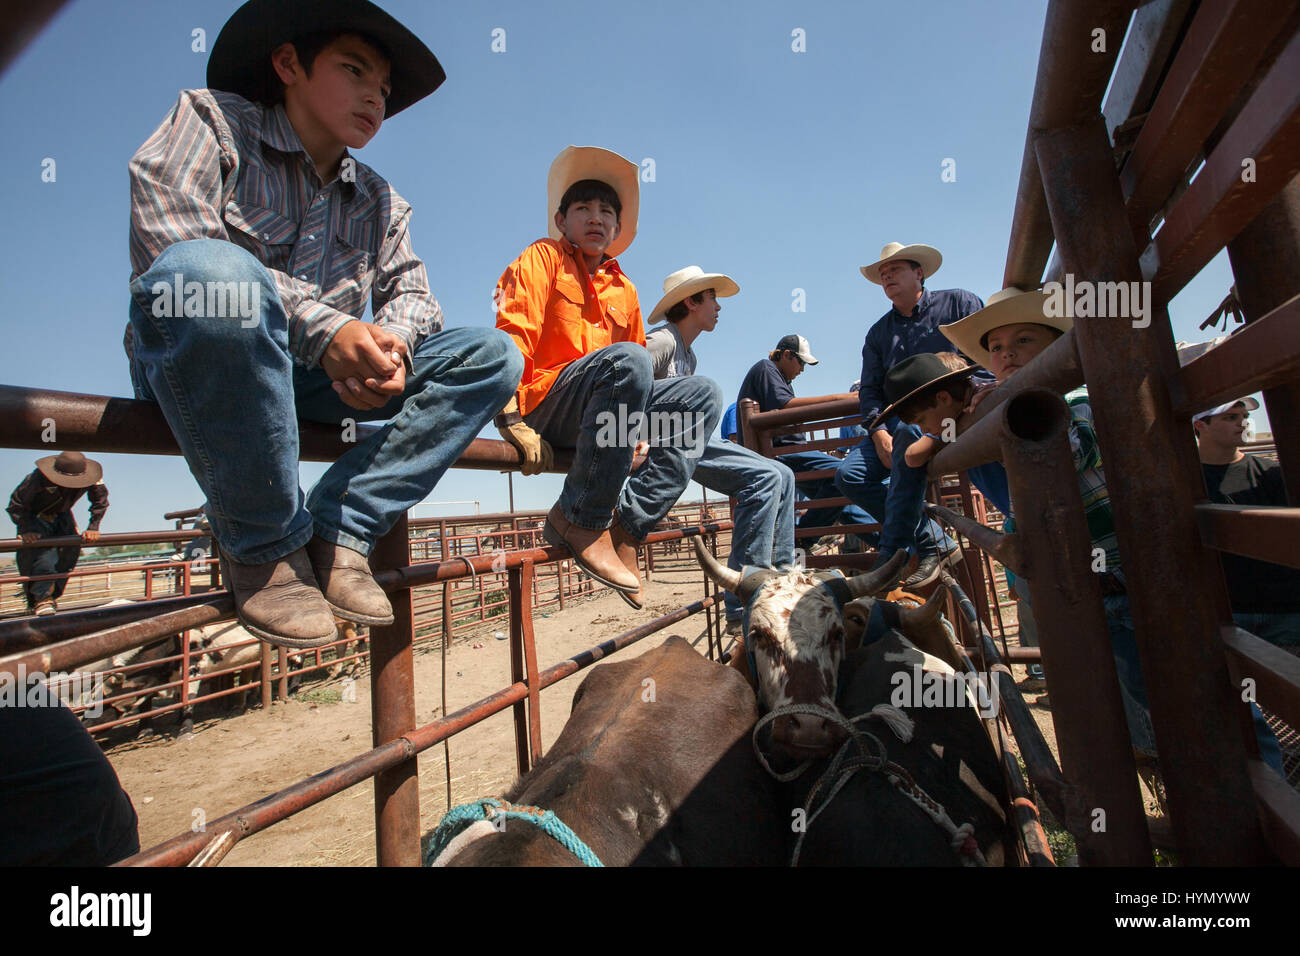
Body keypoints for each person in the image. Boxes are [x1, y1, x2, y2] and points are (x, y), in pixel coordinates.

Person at [125, 1, 522, 650]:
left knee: (492, 356)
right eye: (355, 70)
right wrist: (326, 330)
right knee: (214, 273)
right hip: (206, 358)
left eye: (385, 89)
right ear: (288, 63)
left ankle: (341, 526)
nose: (376, 97)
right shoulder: (211, 122)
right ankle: (264, 545)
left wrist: (388, 345)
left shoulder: (380, 200)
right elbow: (172, 246)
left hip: (316, 381)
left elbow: (417, 297)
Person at [940, 290, 1283, 770]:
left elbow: (1064, 453)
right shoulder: (1028, 402)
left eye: (1023, 339)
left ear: (1058, 349)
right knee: (1158, 698)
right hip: (1111, 587)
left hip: (1139, 580)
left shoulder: (1079, 399)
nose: (1006, 353)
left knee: (1205, 698)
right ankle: (1219, 793)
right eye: (995, 347)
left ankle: (1264, 793)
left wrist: (1004, 409)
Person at [494, 148, 722, 610]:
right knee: (631, 360)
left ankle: (628, 527)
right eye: (583, 209)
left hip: (606, 414)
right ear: (561, 220)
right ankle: (579, 516)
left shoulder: (627, 289)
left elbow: (640, 378)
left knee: (704, 395)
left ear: (618, 228)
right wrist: (509, 414)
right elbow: (514, 332)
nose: (596, 219)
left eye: (606, 212)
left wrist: (636, 428)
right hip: (548, 405)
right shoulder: (543, 258)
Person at [644, 266, 797, 631]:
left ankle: (781, 580)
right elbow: (627, 381)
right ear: (692, 301)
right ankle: (746, 600)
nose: (718, 306)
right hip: (671, 439)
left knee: (784, 474)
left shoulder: (687, 355)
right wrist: (635, 434)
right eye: (712, 297)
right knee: (763, 479)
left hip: (693, 437)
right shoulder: (662, 341)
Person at [835, 242, 988, 587]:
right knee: (849, 475)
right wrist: (878, 433)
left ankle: (891, 556)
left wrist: (976, 391)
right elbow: (870, 390)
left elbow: (984, 357)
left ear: (919, 272)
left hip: (951, 417)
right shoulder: (878, 333)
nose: (887, 277)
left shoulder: (959, 303)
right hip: (898, 425)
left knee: (908, 435)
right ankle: (935, 540)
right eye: (882, 274)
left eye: (895, 270)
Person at [736, 334, 875, 536]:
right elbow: (786, 405)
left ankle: (889, 546)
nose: (802, 369)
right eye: (801, 362)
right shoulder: (766, 369)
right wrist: (841, 398)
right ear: (786, 355)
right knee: (844, 474)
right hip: (783, 455)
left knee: (841, 498)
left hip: (788, 454)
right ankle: (804, 537)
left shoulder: (781, 377)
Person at [1194, 398, 1300, 648]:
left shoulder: (1271, 473)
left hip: (1285, 609)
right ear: (1201, 426)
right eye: (1231, 417)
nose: (1243, 423)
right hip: (1227, 610)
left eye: (1244, 417)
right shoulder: (1184, 478)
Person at [7, 452, 109, 615]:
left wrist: (93, 527)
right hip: (35, 516)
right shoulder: (37, 477)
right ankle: (42, 599)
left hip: (63, 515)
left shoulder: (92, 477)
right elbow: (17, 504)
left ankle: (51, 595)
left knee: (70, 552)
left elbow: (100, 500)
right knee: (44, 556)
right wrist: (25, 529)